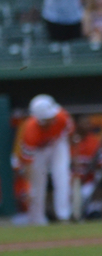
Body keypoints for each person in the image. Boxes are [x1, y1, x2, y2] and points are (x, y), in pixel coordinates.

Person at [17, 95, 74, 225]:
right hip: (38, 151)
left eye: (52, 115)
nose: (52, 119)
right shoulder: (30, 130)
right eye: (48, 118)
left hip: (57, 144)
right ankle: (38, 220)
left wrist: (73, 157)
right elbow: (27, 162)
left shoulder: (62, 117)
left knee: (62, 176)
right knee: (37, 186)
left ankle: (63, 216)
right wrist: (28, 185)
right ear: (39, 119)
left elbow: (70, 137)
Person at [70, 116, 102, 220]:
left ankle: (93, 211)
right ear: (77, 125)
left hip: (88, 181)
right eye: (84, 123)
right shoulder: (69, 141)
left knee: (91, 189)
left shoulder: (94, 142)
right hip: (71, 183)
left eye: (88, 123)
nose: (87, 126)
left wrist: (91, 169)